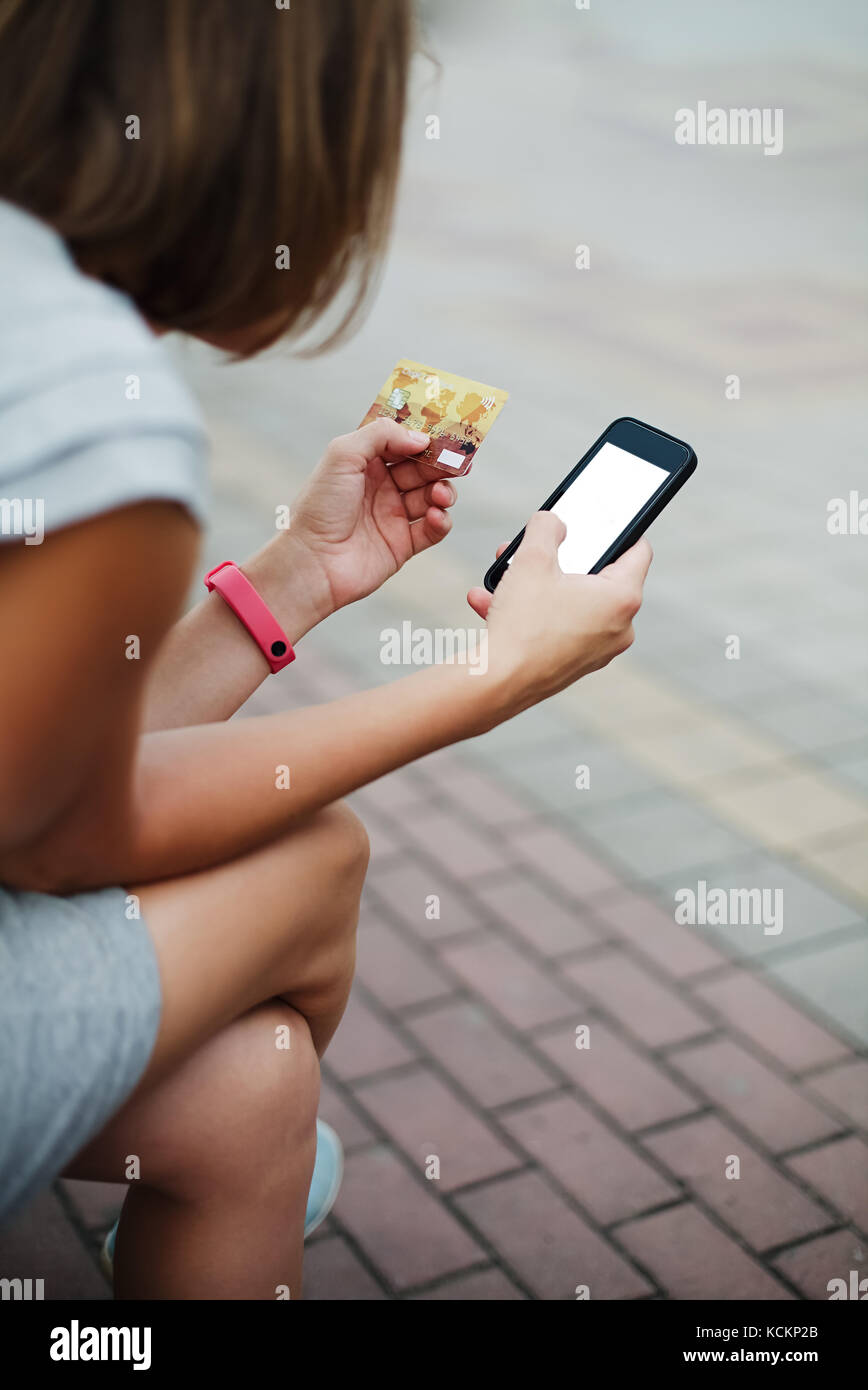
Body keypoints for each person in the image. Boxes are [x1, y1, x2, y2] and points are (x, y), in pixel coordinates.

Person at [0, 0, 651, 1298]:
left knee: (255, 1093)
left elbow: (25, 775)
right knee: (318, 855)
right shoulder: (83, 405)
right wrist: (495, 675)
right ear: (292, 138)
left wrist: (296, 578)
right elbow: (62, 835)